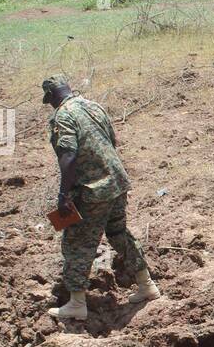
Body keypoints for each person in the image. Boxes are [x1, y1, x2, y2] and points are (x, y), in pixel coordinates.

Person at [42, 75, 159, 321]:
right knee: (118, 233)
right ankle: (146, 285)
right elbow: (111, 141)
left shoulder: (63, 117)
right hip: (117, 182)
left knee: (77, 242)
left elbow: (68, 156)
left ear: (52, 96)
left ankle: (76, 303)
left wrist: (64, 195)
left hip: (94, 190)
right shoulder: (93, 106)